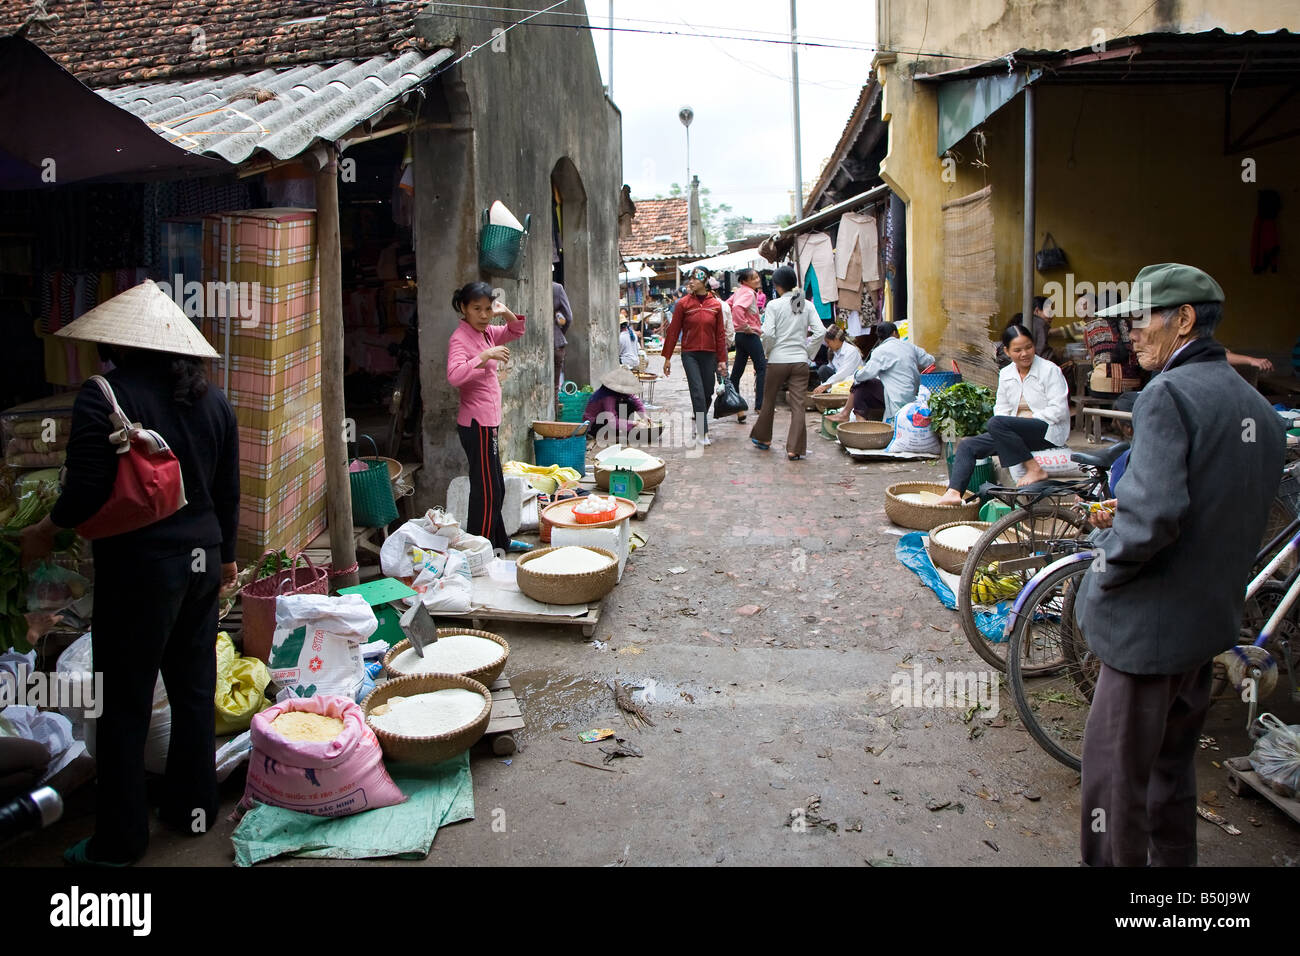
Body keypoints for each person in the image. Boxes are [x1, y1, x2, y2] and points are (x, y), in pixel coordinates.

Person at [19, 280, 239, 866]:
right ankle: (193, 811)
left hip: (141, 569)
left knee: (123, 702)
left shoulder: (105, 397)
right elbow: (227, 490)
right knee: (194, 690)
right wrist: (228, 561)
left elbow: (86, 489)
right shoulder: (213, 401)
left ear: (114, 345)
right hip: (202, 562)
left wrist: (45, 532)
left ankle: (119, 842)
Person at [1075, 263, 1284, 867]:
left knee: (1113, 786)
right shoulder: (1254, 408)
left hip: (1149, 635)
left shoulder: (1169, 394)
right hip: (1206, 627)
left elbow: (1154, 519)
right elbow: (1225, 509)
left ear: (1184, 320)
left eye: (1141, 319)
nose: (1130, 334)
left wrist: (1104, 573)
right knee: (1171, 776)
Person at [936, 323, 1070, 505]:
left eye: (1029, 347)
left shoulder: (1050, 370)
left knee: (996, 423)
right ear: (1007, 351)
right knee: (968, 445)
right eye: (1017, 350)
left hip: (1047, 430)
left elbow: (1059, 410)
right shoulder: (1006, 374)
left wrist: (1028, 419)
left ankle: (1034, 469)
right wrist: (1013, 425)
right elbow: (1001, 409)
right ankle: (953, 492)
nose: (1024, 354)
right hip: (1014, 433)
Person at [446, 282, 531, 554]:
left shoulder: (486, 333)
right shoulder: (461, 338)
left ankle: (500, 542)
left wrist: (505, 312)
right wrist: (485, 356)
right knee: (486, 492)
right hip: (475, 425)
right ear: (463, 308)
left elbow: (516, 330)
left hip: (489, 423)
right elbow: (455, 375)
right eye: (476, 309)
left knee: (497, 488)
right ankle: (477, 552)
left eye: (487, 309)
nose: (483, 315)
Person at [749, 265, 823, 461]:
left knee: (768, 400)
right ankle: (795, 449)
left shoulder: (774, 305)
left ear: (777, 286)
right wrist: (808, 353)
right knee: (798, 405)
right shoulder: (805, 304)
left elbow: (769, 333)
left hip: (778, 360)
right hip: (800, 361)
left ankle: (764, 439)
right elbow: (820, 332)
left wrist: (768, 351)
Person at [662, 267, 727, 446]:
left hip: (710, 354)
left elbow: (720, 334)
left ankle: (700, 420)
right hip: (689, 353)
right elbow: (673, 331)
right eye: (689, 278)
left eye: (695, 279)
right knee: (697, 392)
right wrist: (667, 357)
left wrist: (722, 360)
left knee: (707, 392)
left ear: (705, 281)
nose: (690, 282)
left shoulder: (715, 305)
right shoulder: (683, 304)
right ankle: (701, 431)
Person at [831, 321, 934, 425]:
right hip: (912, 394)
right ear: (894, 333)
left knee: (860, 384)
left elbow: (865, 374)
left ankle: (856, 419)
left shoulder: (879, 351)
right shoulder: (910, 346)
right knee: (861, 383)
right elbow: (930, 360)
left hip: (895, 398)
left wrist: (857, 375)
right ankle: (848, 416)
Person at [727, 268, 766, 425]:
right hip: (749, 335)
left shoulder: (740, 291)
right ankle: (760, 405)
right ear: (745, 282)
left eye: (757, 277)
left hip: (740, 336)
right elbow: (736, 308)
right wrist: (744, 325)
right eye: (753, 278)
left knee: (737, 372)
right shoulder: (749, 293)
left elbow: (728, 305)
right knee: (762, 367)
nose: (757, 280)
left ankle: (734, 404)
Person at [584, 366, 649, 441]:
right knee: (624, 406)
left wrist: (643, 415)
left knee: (630, 402)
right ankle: (609, 433)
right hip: (594, 425)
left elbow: (635, 400)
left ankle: (622, 430)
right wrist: (635, 423)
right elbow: (612, 421)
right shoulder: (607, 397)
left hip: (607, 420)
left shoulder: (619, 392)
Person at [811, 326, 863, 392]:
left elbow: (843, 373)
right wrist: (823, 384)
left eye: (828, 342)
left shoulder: (851, 351)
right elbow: (830, 368)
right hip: (839, 380)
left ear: (836, 340)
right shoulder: (832, 352)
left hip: (852, 380)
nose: (827, 345)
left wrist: (825, 385)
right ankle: (830, 393)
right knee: (823, 369)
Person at [552, 279, 573, 392]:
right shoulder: (556, 288)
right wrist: (560, 332)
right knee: (555, 388)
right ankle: (554, 410)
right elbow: (568, 317)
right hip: (556, 342)